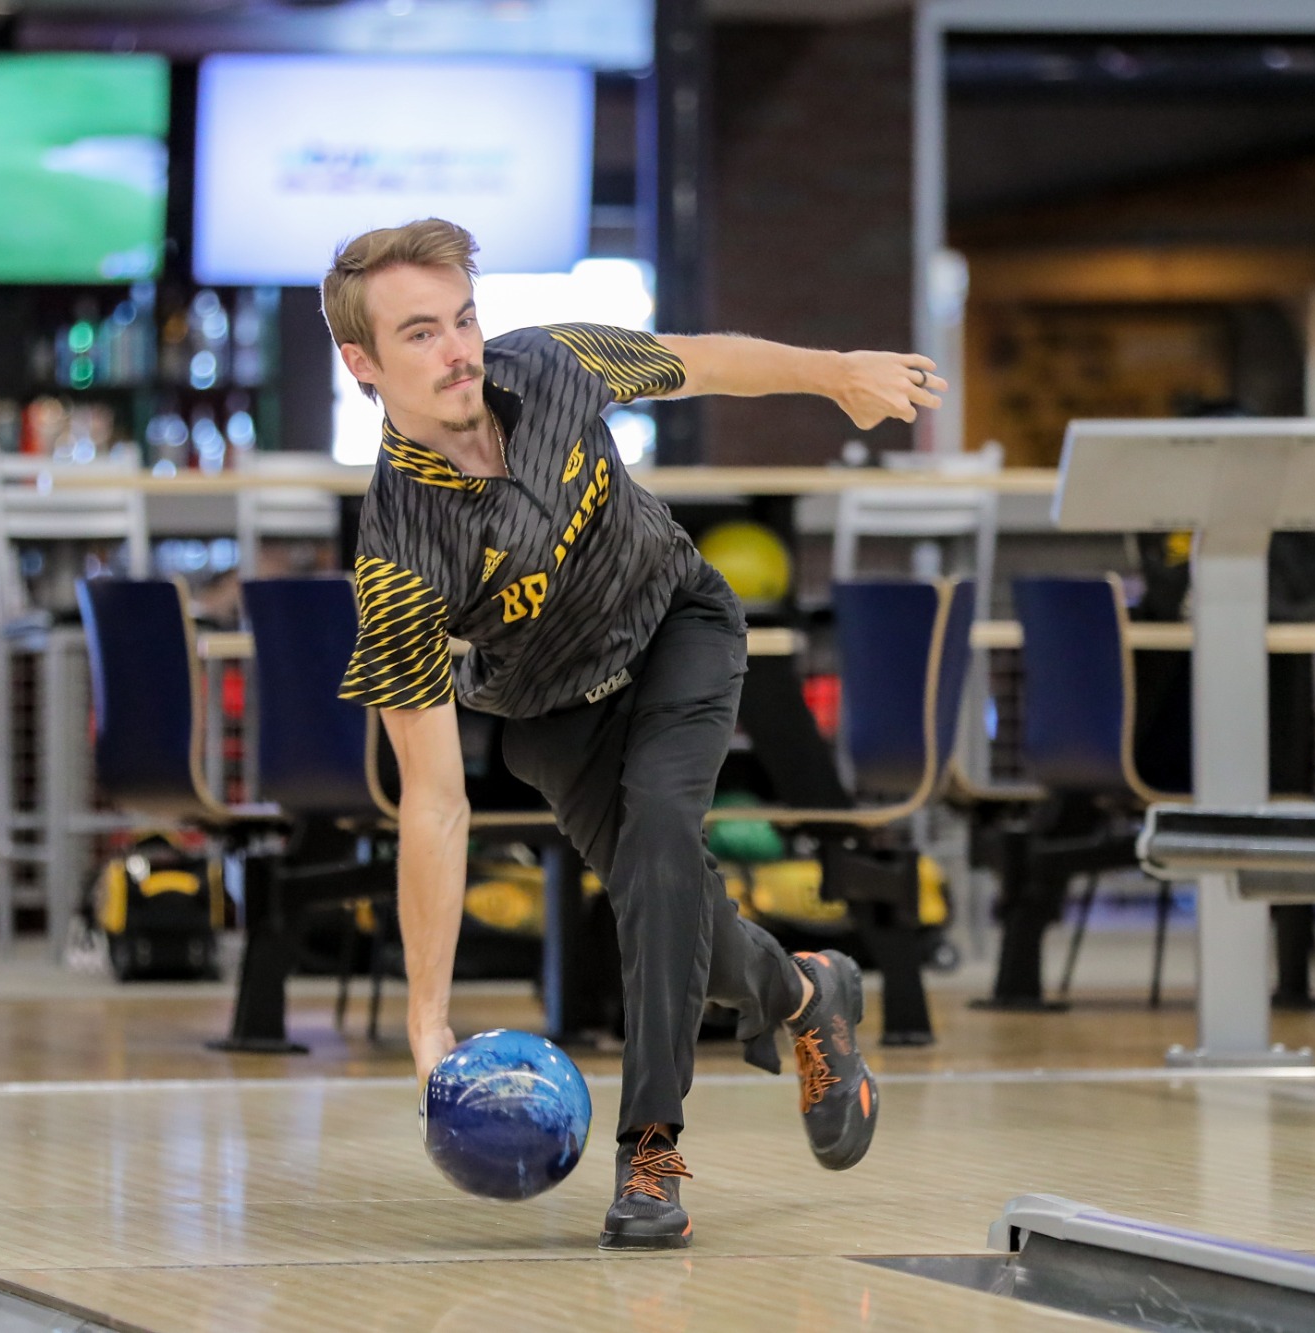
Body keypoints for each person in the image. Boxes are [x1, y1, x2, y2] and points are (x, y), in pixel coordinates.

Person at [325, 219, 946, 1250]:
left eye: (463, 319)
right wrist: (426, 1020)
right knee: (679, 913)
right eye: (421, 333)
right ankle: (805, 993)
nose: (457, 350)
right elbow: (433, 799)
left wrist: (834, 372)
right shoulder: (396, 556)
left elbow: (704, 363)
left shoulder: (556, 365)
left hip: (676, 628)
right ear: (363, 362)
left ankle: (648, 1155)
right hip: (551, 717)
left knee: (662, 837)